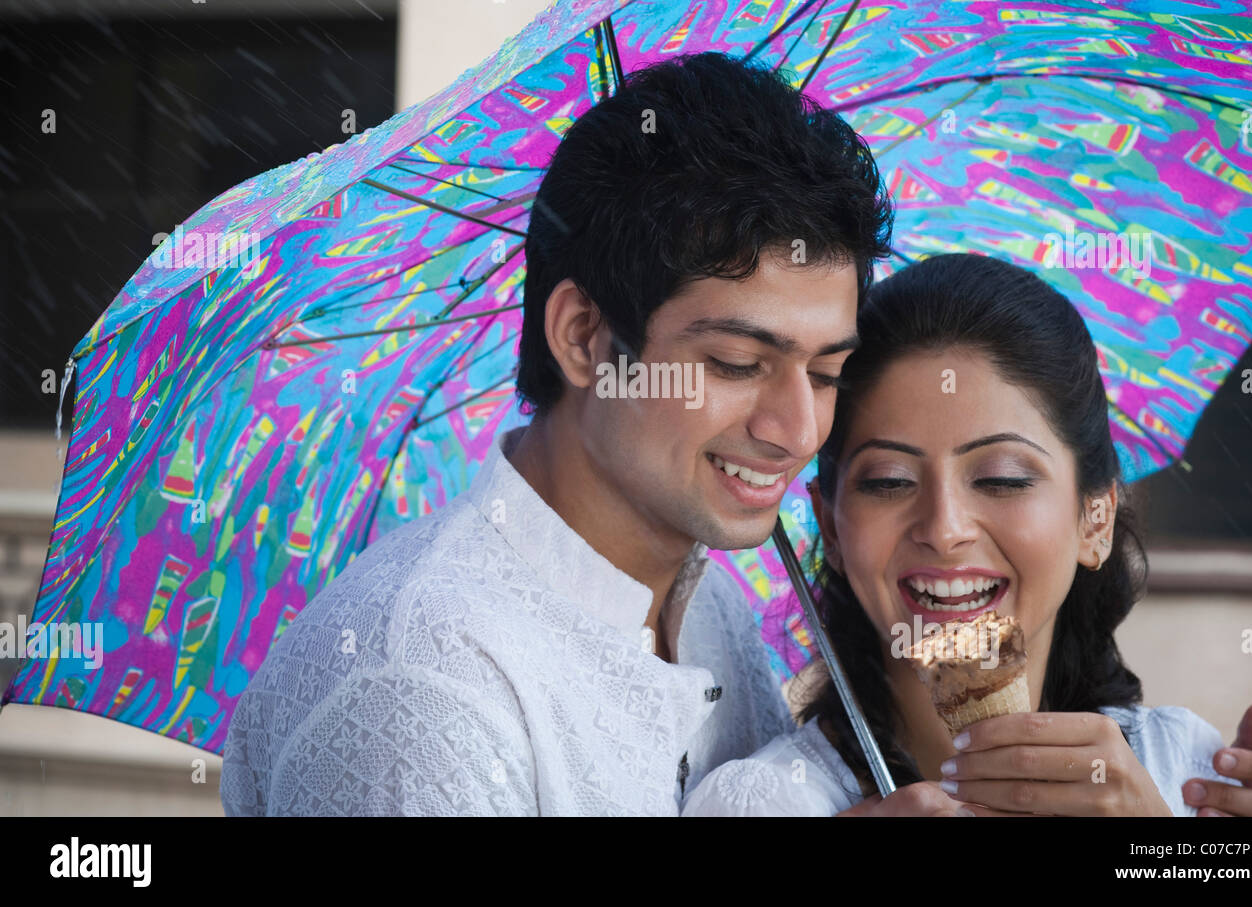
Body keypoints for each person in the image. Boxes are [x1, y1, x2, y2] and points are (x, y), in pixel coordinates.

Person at [218, 51, 894, 815]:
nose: (797, 429)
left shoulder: (712, 610)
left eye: (828, 372)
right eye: (738, 362)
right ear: (584, 337)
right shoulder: (423, 687)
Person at [683, 253, 1252, 817]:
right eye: (890, 482)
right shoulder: (766, 803)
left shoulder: (1186, 772)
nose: (945, 530)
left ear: (1096, 517)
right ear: (830, 527)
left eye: (1001, 479)